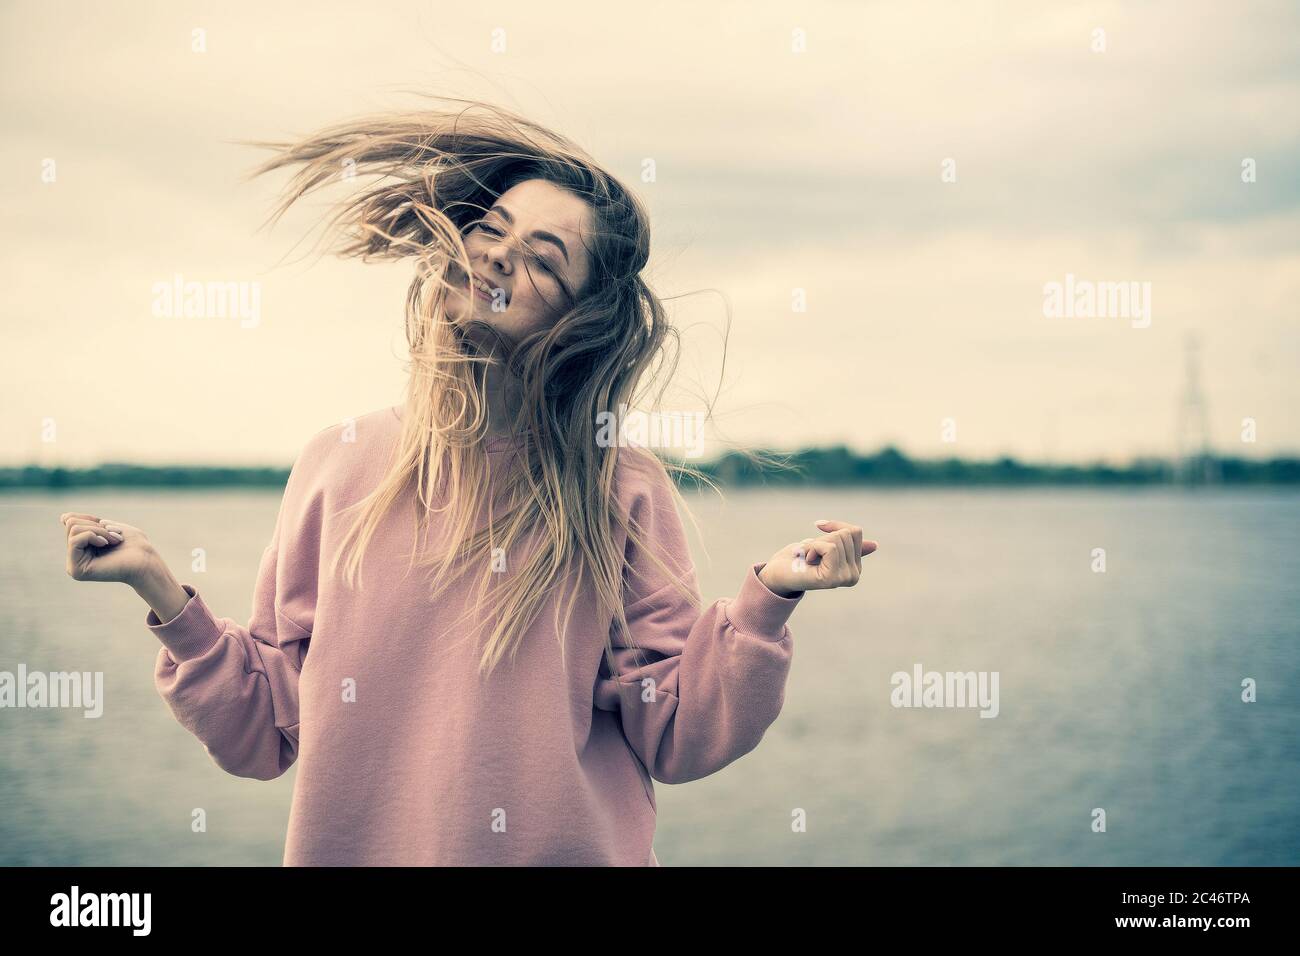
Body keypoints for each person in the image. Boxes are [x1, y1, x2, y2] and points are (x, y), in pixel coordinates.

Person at [59, 98, 877, 866]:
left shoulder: (620, 487)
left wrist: (769, 598)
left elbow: (676, 732)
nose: (495, 254)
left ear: (579, 318)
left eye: (542, 259)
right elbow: (264, 732)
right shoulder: (338, 460)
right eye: (492, 229)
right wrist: (161, 592)